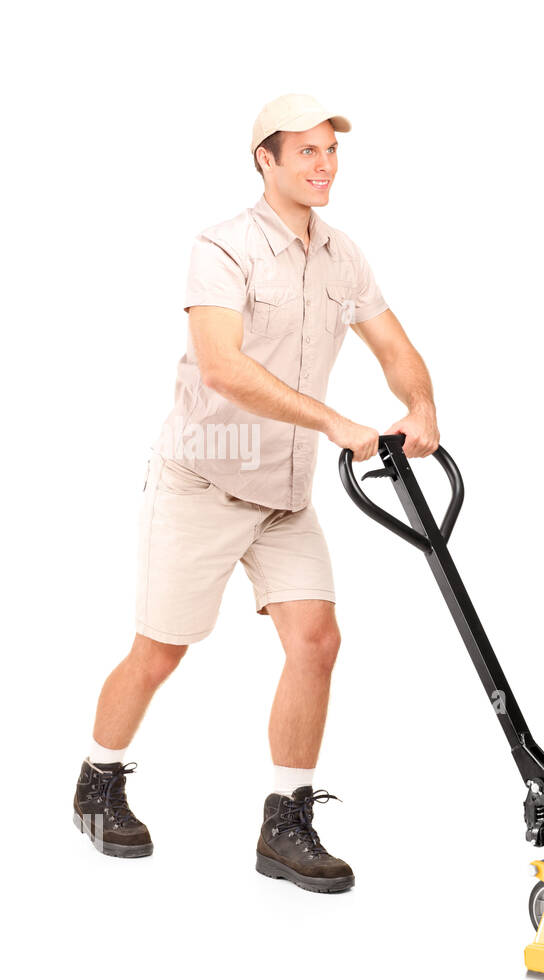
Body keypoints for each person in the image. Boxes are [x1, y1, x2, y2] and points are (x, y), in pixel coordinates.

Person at [73, 93, 439, 893]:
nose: (323, 165)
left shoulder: (345, 256)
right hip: (202, 479)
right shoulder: (222, 247)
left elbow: (394, 346)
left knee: (317, 641)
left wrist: (421, 406)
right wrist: (337, 421)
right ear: (264, 161)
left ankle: (285, 818)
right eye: (304, 152)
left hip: (284, 494)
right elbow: (222, 367)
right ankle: (97, 782)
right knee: (160, 651)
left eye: (330, 151)